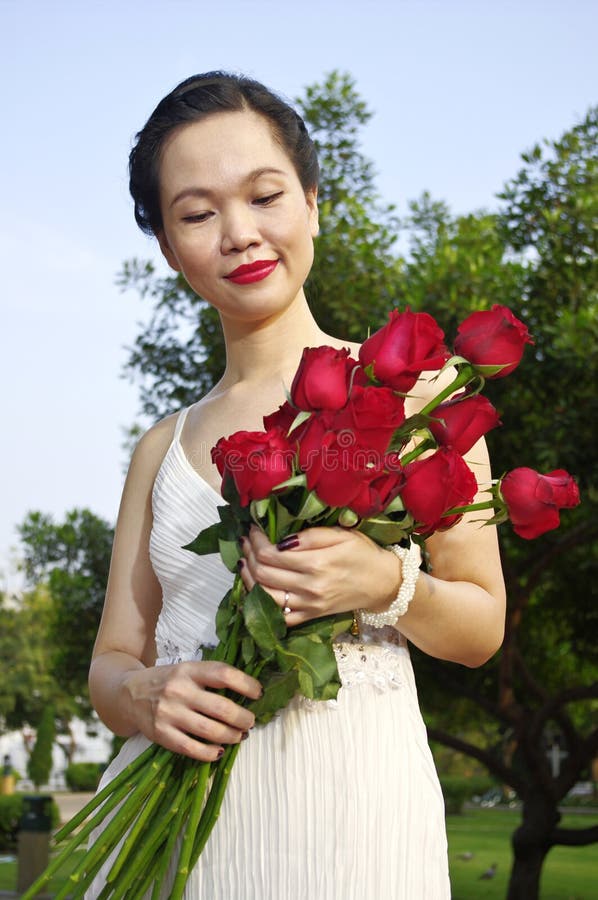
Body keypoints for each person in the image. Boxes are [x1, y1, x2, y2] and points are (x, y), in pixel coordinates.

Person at [87, 71, 506, 899]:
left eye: (265, 195)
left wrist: (389, 583)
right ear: (170, 249)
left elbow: (480, 625)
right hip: (179, 827)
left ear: (314, 201)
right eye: (198, 214)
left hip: (353, 817)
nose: (239, 233)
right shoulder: (159, 449)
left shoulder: (422, 396)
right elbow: (109, 660)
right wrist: (140, 697)